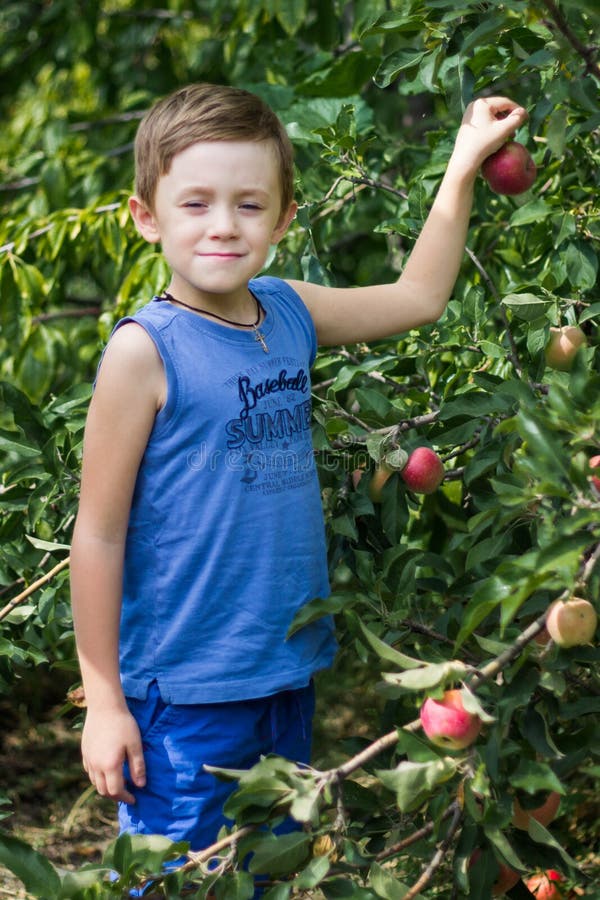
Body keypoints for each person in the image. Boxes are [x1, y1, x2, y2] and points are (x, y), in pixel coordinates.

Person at [70, 83, 527, 858]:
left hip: (284, 673)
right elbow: (100, 533)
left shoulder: (287, 312)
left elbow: (417, 297)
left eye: (250, 205)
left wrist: (462, 161)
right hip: (183, 693)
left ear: (284, 218)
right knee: (182, 876)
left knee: (274, 871)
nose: (223, 226)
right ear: (146, 216)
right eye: (196, 204)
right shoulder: (144, 352)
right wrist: (104, 700)